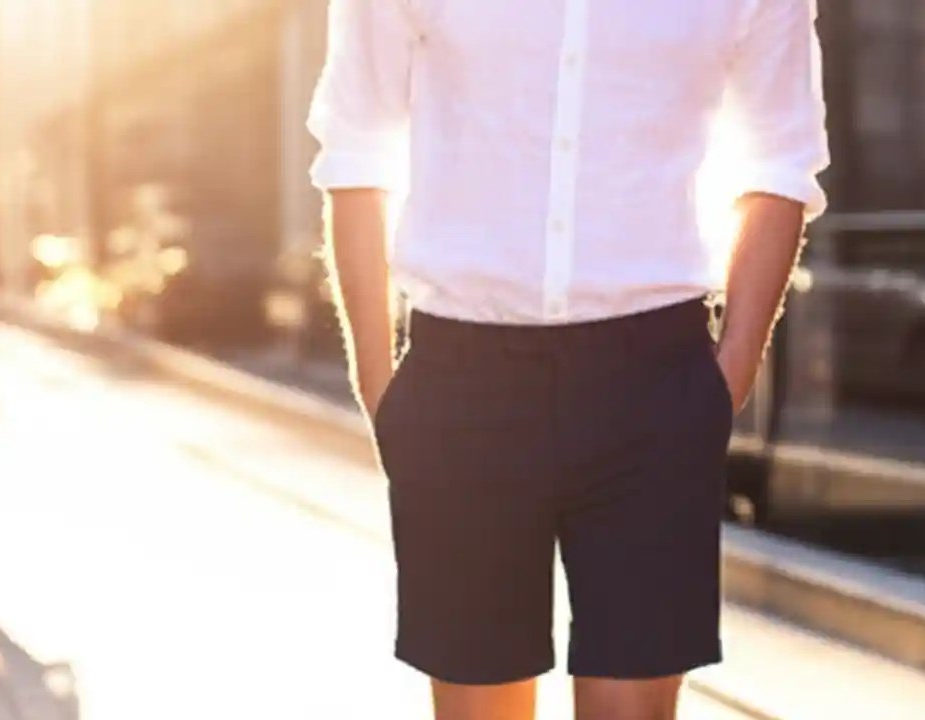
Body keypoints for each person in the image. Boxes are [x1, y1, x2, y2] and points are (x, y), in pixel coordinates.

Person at [309, 2, 828, 718]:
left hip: (656, 385)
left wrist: (724, 380)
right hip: (464, 383)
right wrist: (379, 384)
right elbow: (355, 151)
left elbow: (780, 160)